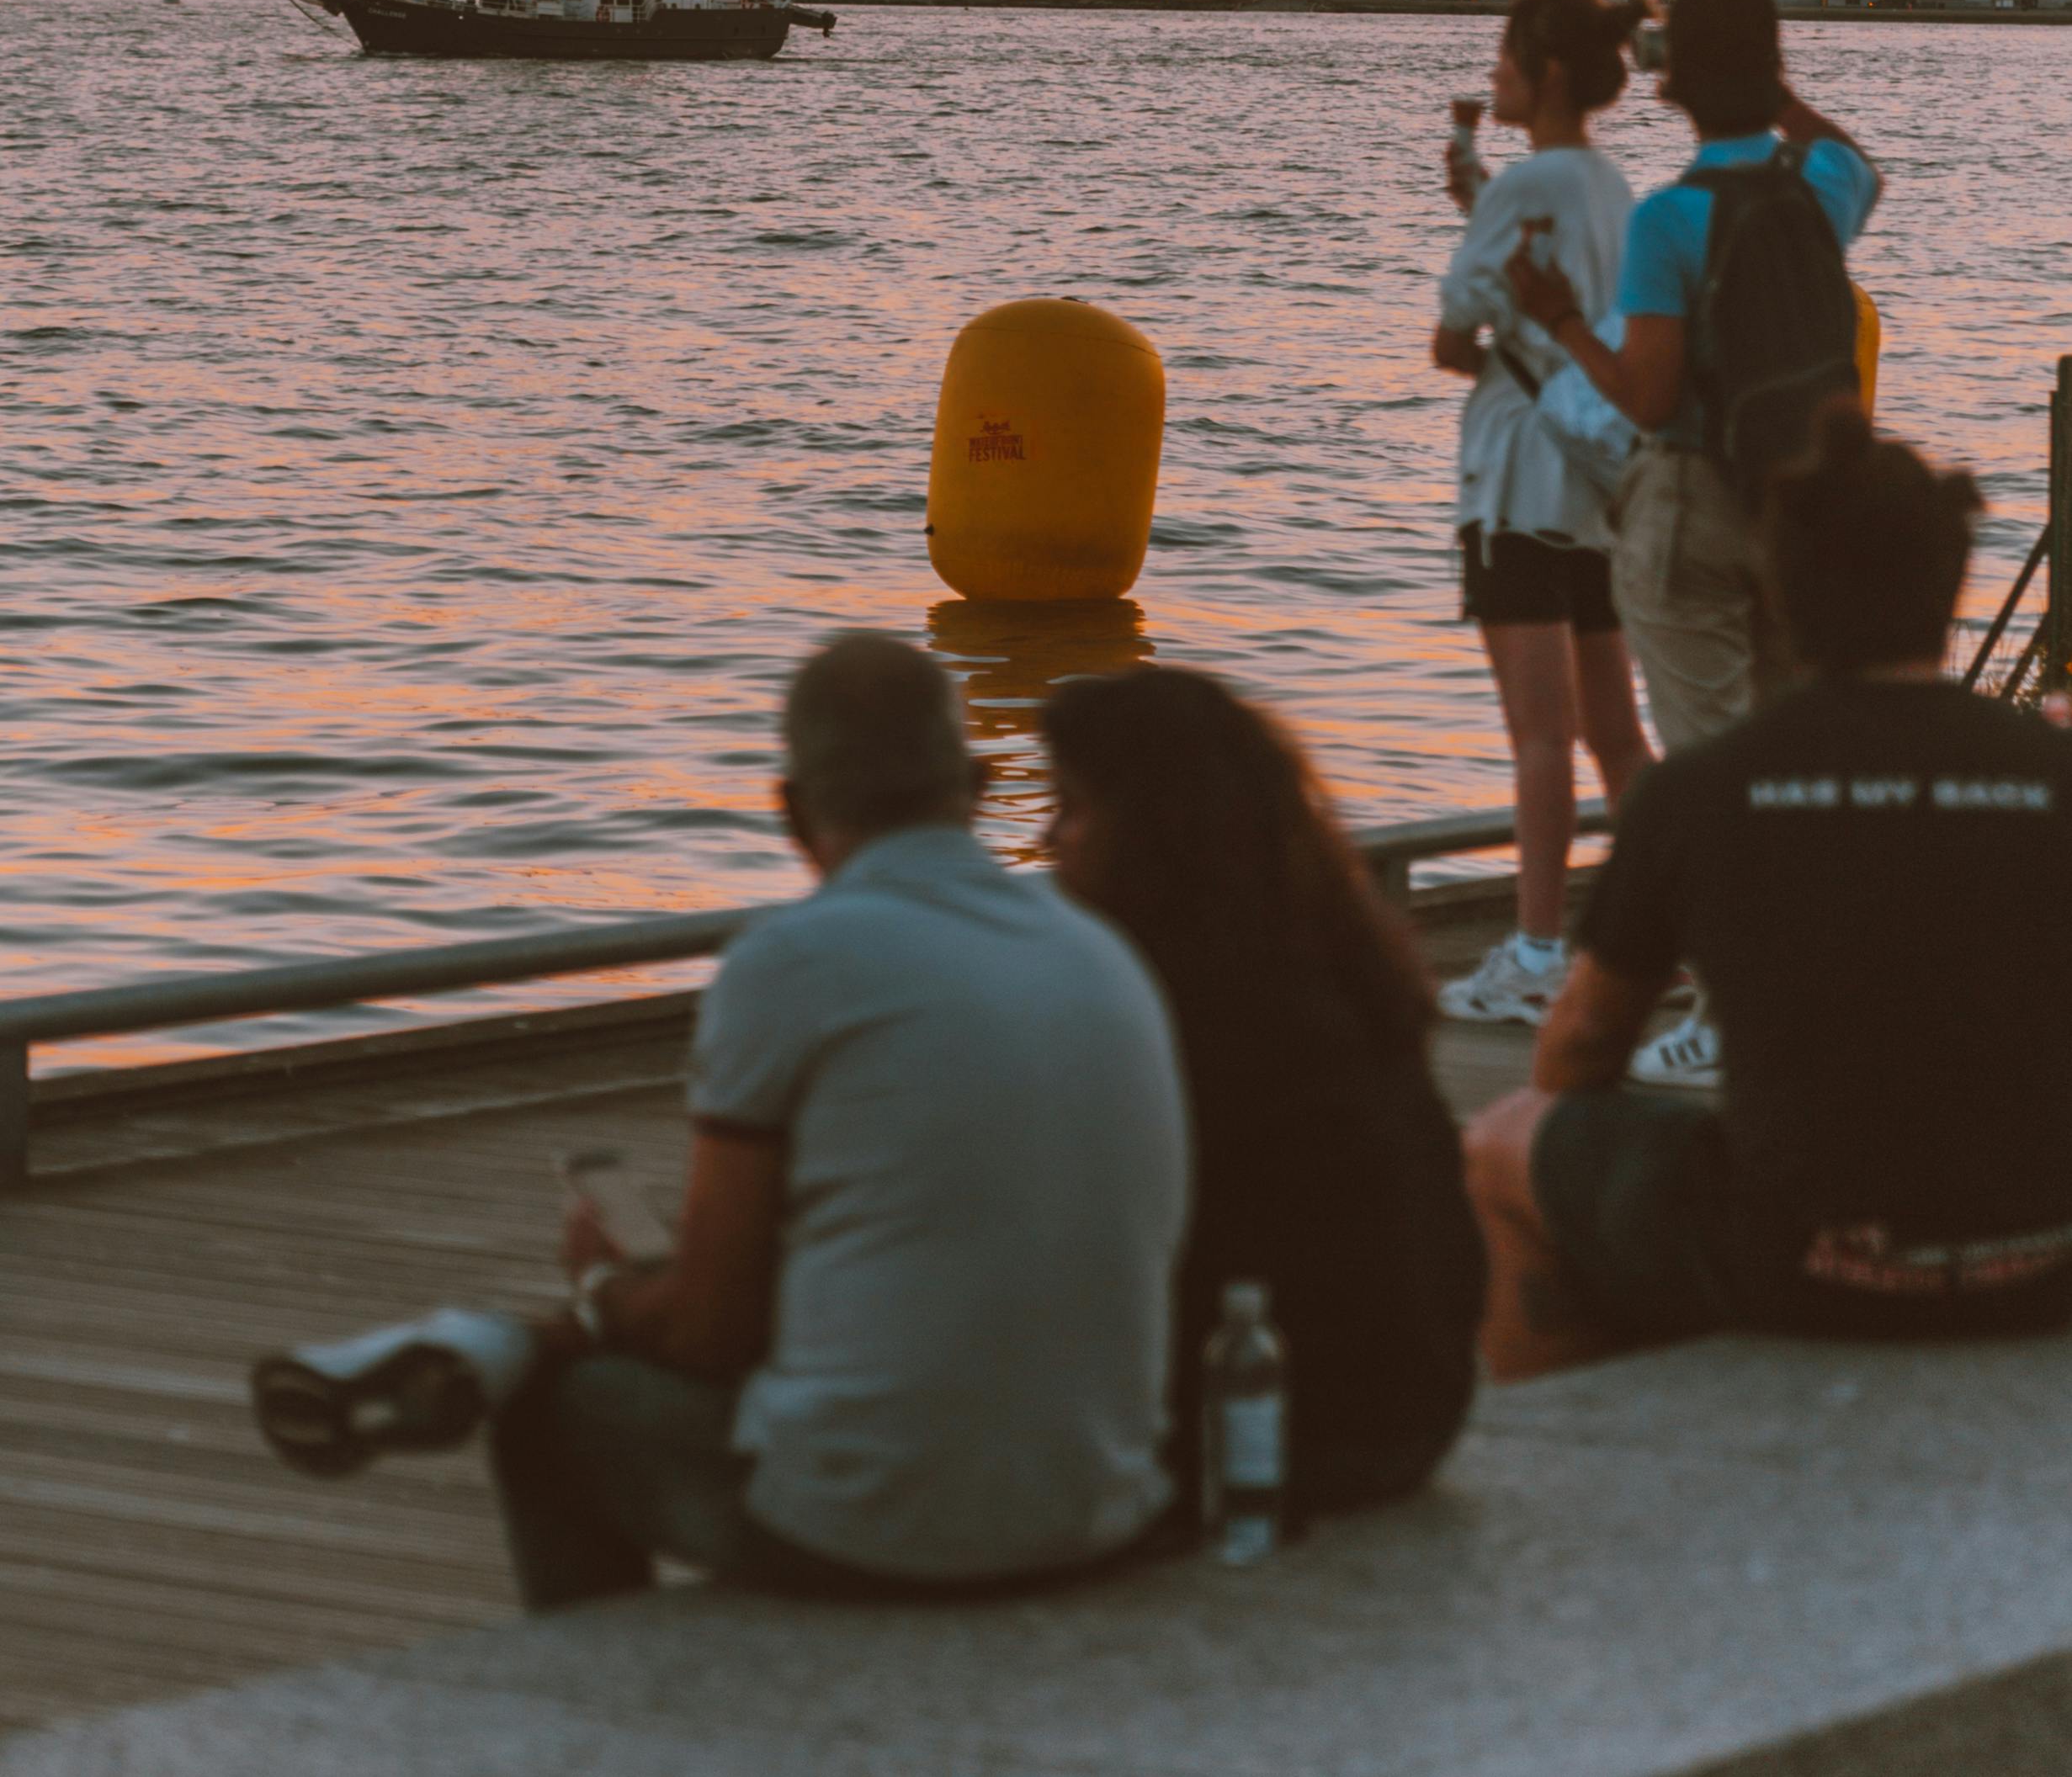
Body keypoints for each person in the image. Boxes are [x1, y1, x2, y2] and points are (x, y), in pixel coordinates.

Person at [491, 632, 1189, 1610]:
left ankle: (604, 1725)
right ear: (980, 785)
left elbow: (711, 1332)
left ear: (789, 812)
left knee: (553, 1414)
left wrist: (606, 1292)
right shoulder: (1098, 954)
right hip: (1106, 1502)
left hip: (879, 1530)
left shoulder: (791, 963)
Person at [1465, 408, 2072, 1380]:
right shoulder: (2055, 773)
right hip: (2041, 1262)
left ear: (1778, 589)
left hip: (1793, 1264)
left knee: (1499, 1145)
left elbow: (1581, 1046)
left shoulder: (1699, 789)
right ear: (1947, 585)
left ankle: (1583, 1458)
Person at [1507, 0, 1881, 1081]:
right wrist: (1775, 91)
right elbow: (1848, 151)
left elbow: (1649, 394)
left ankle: (1725, 1018)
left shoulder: (1672, 218)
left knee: (1709, 777)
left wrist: (1561, 320)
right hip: (1800, 514)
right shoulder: (1820, 188)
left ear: (1668, 87)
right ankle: (1794, 999)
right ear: (1768, 71)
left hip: (1692, 510)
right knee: (1788, 764)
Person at [1042, 666, 1485, 1525]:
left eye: (1070, 808)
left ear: (1147, 832)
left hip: (1259, 1441)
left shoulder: (1157, 1013)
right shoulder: (1347, 976)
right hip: (1413, 1417)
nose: (1051, 839)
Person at [1431, 0, 1654, 1026]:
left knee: (1537, 735)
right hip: (1597, 482)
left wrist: (1476, 220)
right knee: (1616, 734)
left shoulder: (1526, 186)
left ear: (1548, 74)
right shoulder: (1608, 185)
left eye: (1505, 57)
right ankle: (1669, 931)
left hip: (1517, 475)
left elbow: (1452, 333)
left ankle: (1532, 953)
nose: (1492, 74)